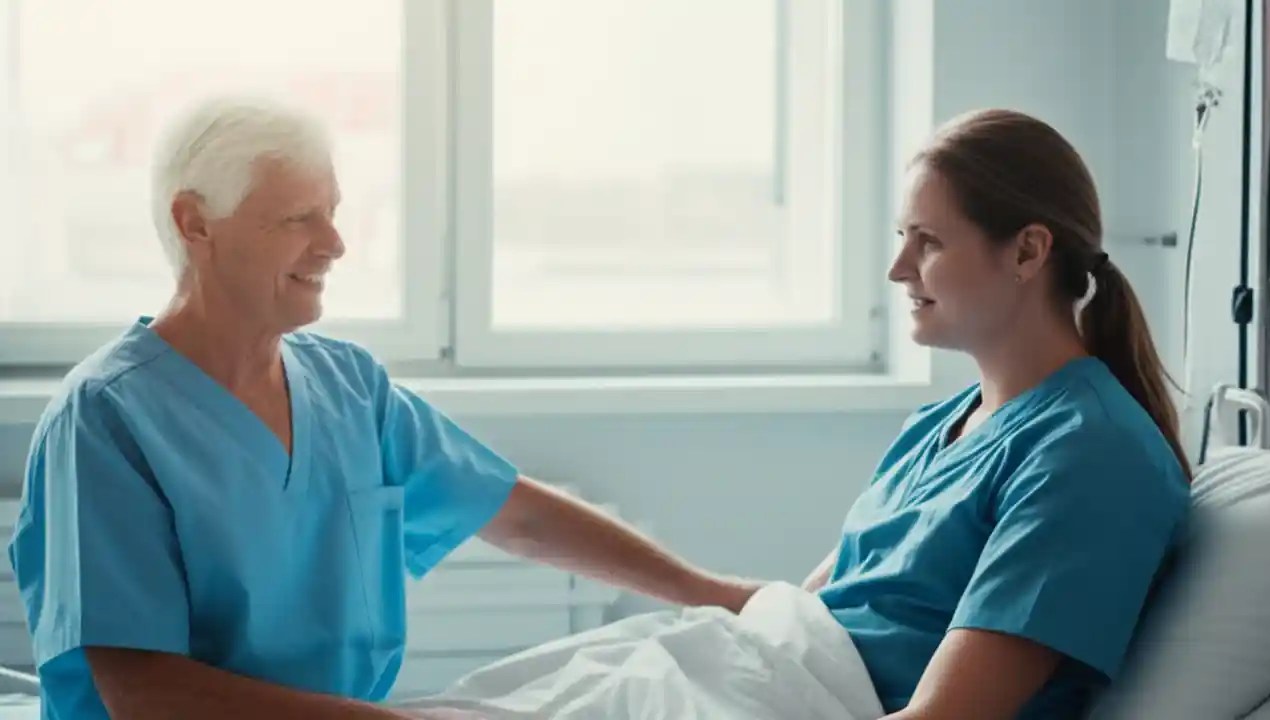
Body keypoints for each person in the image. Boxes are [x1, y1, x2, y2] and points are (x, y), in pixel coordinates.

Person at [6, 96, 760, 720]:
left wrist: (717, 595)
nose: (334, 243)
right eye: (297, 217)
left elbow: (518, 514)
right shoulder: (106, 420)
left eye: (332, 212)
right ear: (195, 224)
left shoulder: (348, 387)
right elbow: (145, 692)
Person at [800, 108, 1192, 719]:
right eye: (901, 238)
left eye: (927, 241)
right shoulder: (934, 429)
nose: (898, 269)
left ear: (1028, 252)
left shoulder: (1090, 457)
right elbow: (798, 621)